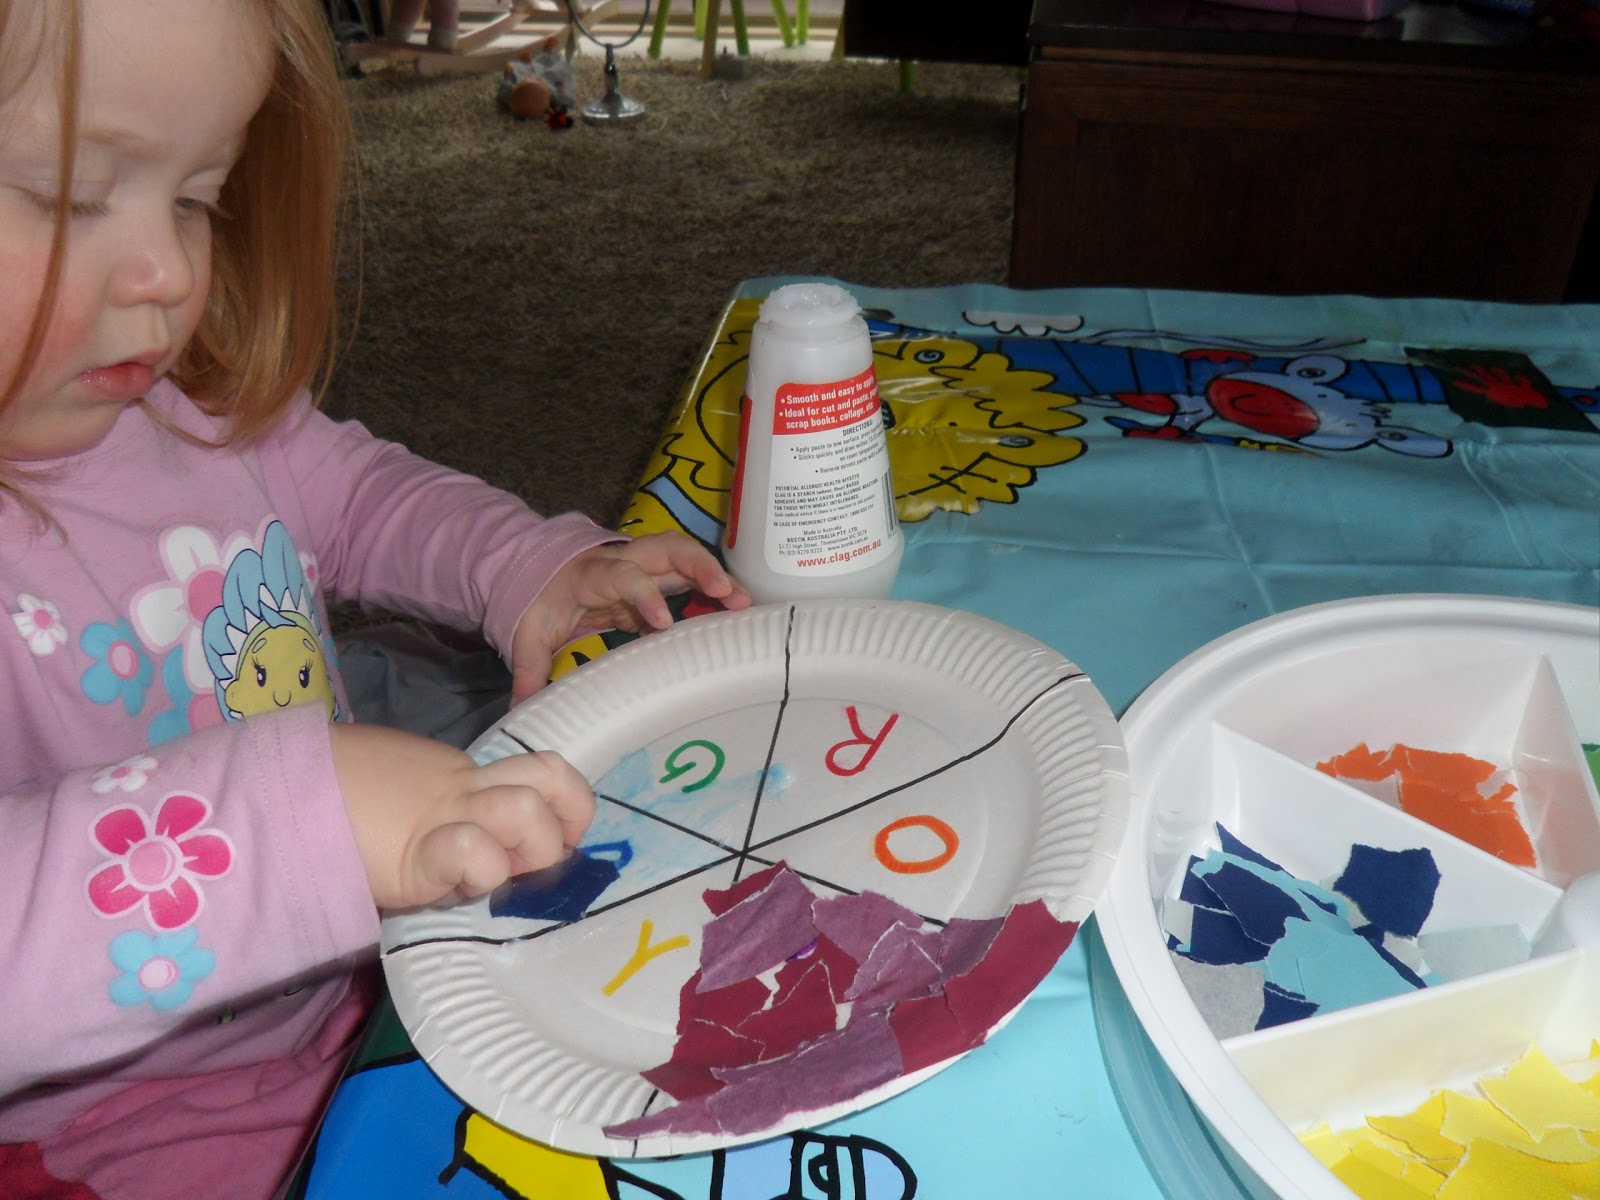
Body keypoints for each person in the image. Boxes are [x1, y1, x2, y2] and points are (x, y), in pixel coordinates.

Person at [0, 1, 749, 1197]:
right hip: (127, 1115)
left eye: (194, 197)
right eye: (76, 197)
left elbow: (353, 497)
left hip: (373, 961)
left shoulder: (177, 409)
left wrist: (526, 564)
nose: (168, 270)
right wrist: (293, 822)